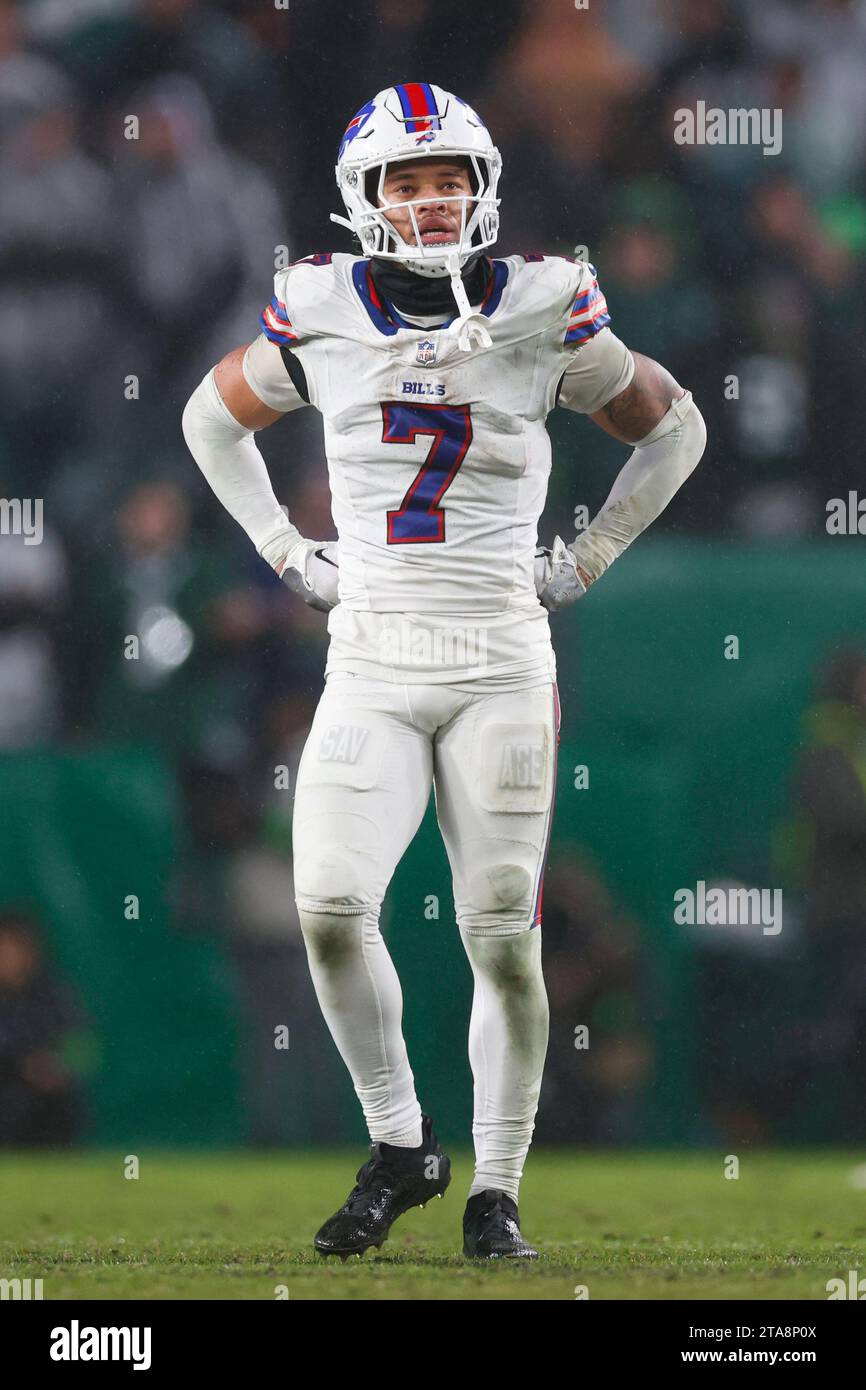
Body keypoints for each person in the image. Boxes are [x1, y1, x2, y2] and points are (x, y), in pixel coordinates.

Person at [182, 82, 706, 1259]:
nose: (430, 201)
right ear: (364, 196)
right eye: (408, 182)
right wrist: (286, 553)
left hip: (498, 660)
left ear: (483, 188)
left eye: (449, 179)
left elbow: (674, 425)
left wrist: (584, 559)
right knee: (328, 910)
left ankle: (496, 1190)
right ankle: (402, 1145)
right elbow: (209, 420)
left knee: (499, 934)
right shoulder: (319, 302)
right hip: (370, 654)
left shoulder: (540, 301)